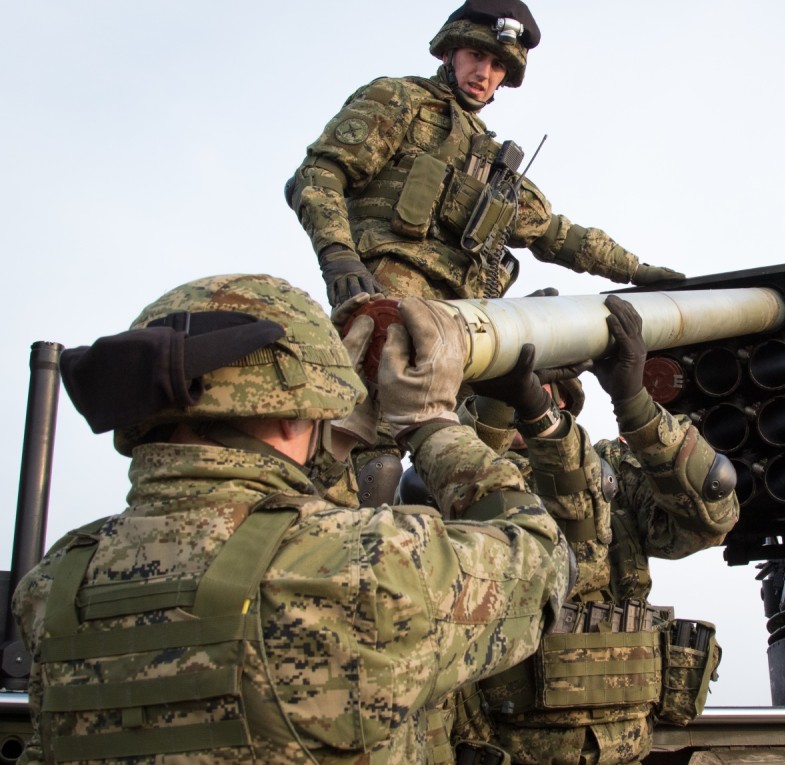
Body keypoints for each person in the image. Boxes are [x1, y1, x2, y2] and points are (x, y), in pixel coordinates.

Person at [11, 274, 573, 763]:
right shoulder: (371, 567)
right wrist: (429, 422)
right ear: (288, 418)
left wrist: (340, 429)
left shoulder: (55, 583)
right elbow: (542, 563)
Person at [447, 295, 739, 764]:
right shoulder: (448, 477)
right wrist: (500, 407)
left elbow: (709, 517)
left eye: (549, 390)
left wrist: (637, 405)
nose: (538, 400)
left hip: (624, 748)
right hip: (499, 747)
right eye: (526, 387)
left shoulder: (615, 470)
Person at [286, 0, 685, 308]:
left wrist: (635, 271)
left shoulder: (493, 164)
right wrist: (339, 257)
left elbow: (556, 234)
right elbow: (319, 174)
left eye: (497, 66)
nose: (484, 73)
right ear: (450, 53)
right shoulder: (401, 98)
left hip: (465, 313)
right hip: (390, 291)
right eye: (476, 56)